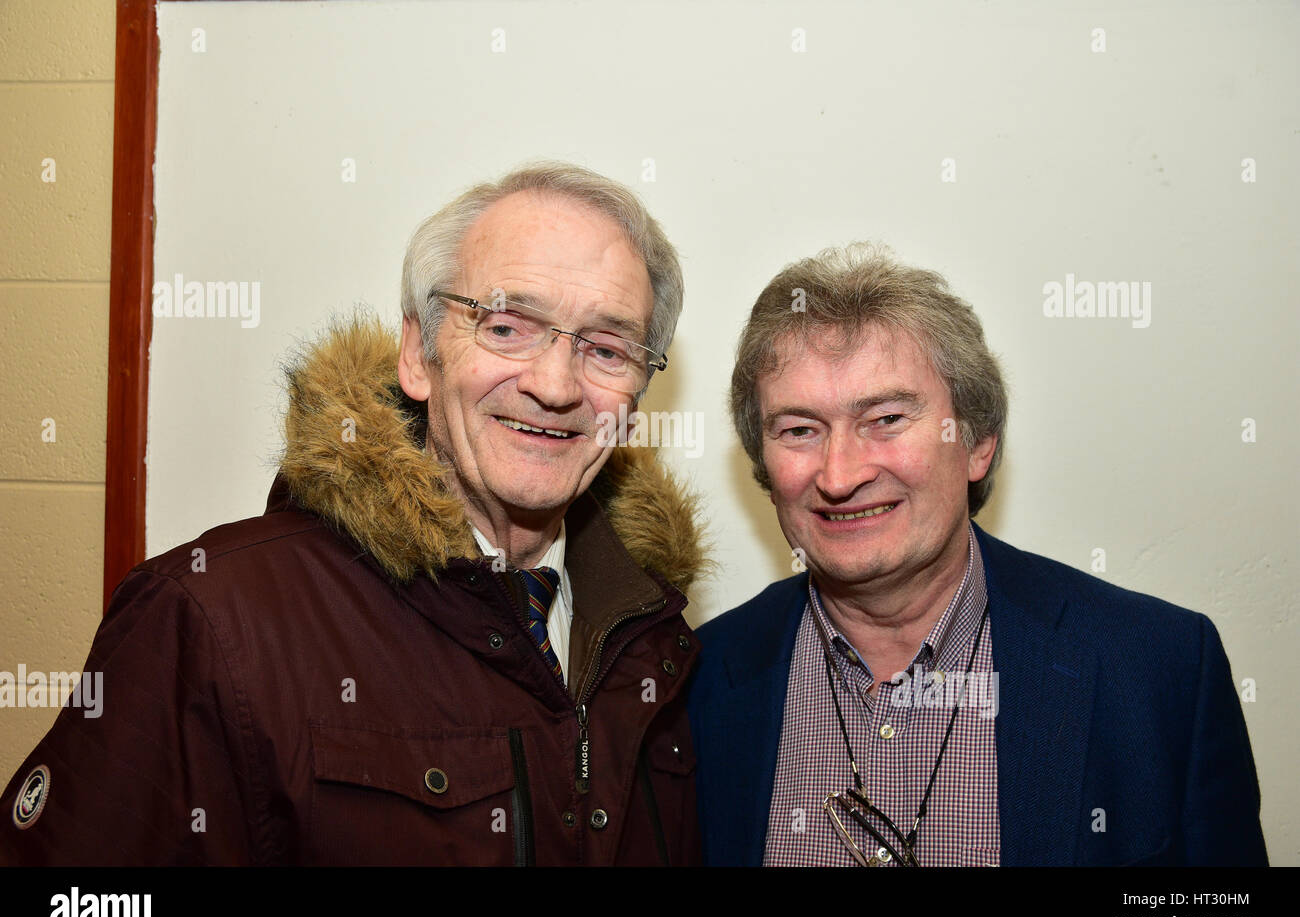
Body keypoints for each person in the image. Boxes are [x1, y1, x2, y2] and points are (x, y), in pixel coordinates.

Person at [1, 162, 705, 865]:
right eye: (507, 326)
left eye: (606, 348)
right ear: (417, 354)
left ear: (638, 391)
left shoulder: (650, 642)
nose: (555, 386)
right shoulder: (211, 618)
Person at [688, 243, 1267, 866]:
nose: (839, 474)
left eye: (885, 418)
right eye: (799, 430)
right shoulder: (692, 687)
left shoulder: (1159, 670)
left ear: (978, 442)